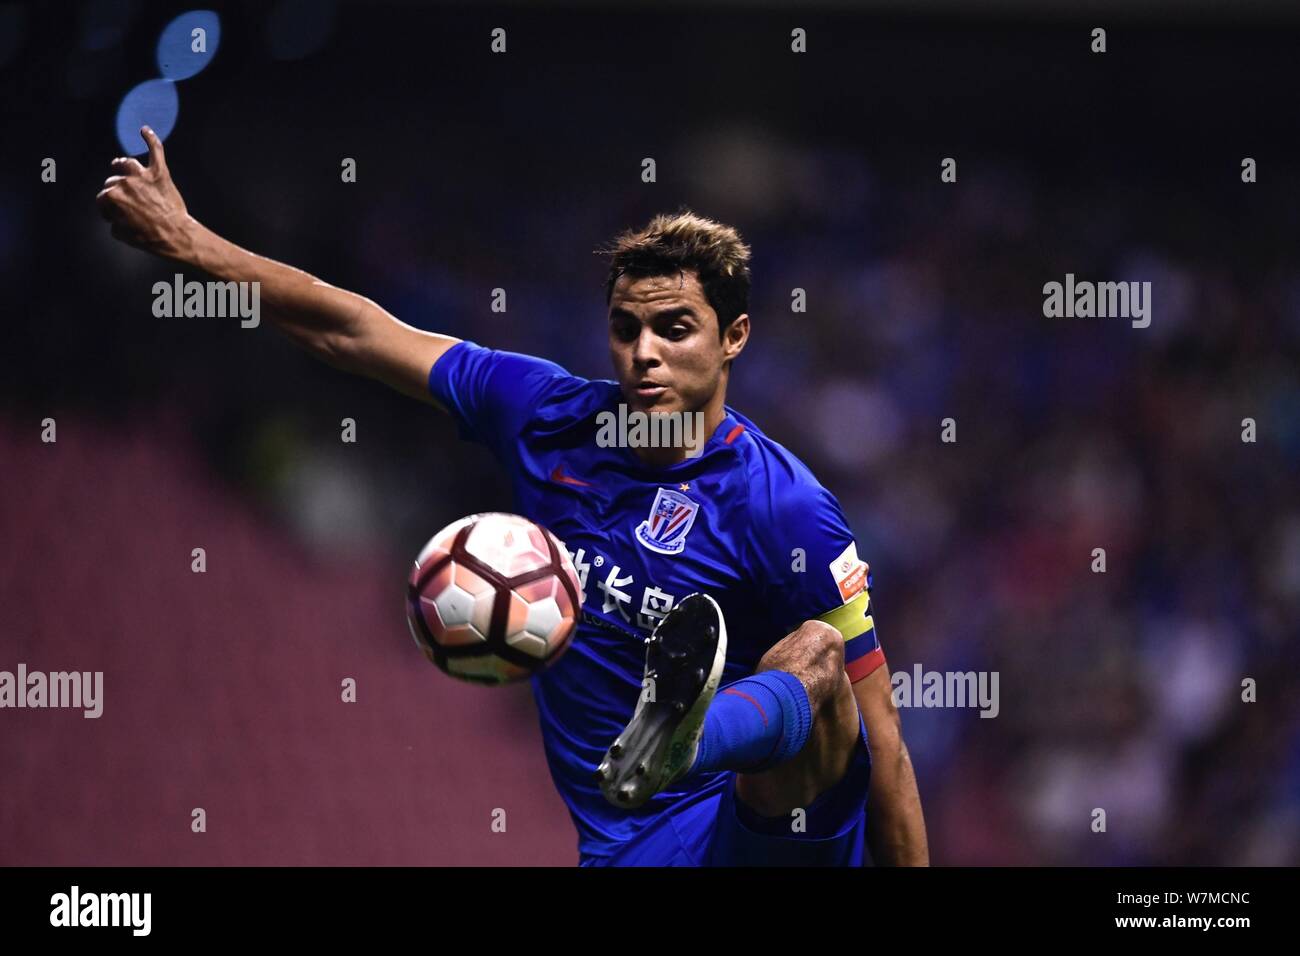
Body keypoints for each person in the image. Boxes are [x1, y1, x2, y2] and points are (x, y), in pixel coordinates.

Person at [97, 126, 929, 866]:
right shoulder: (548, 415)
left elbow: (883, 738)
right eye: (625, 327)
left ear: (733, 337)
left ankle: (686, 739)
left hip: (759, 830)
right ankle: (671, 743)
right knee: (811, 663)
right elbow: (354, 329)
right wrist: (194, 246)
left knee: (819, 657)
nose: (643, 353)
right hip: (629, 843)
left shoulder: (783, 506)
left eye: (674, 328)